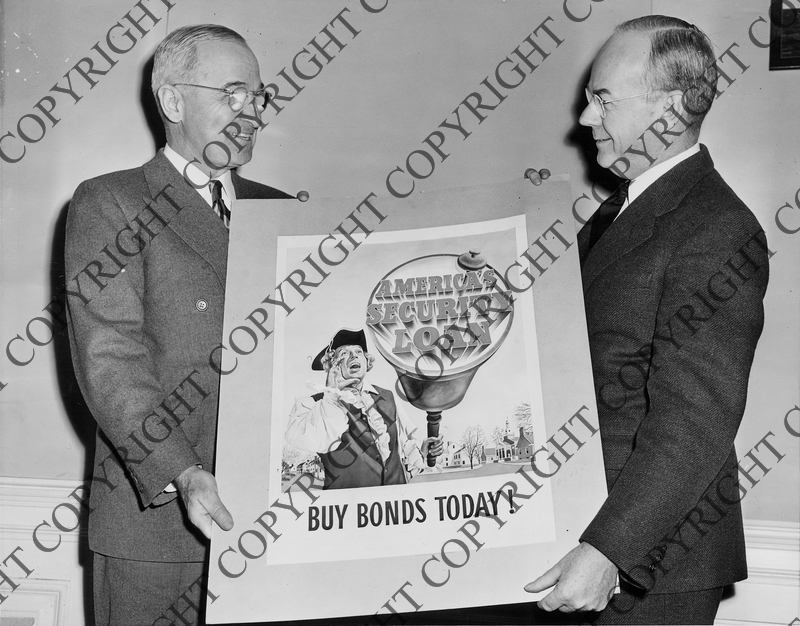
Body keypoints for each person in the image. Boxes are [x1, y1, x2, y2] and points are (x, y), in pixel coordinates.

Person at [524, 16, 769, 625]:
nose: (584, 119)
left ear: (673, 106)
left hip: (651, 562)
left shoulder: (718, 227)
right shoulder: (616, 212)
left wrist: (609, 549)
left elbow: (695, 415)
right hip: (591, 537)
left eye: (603, 99)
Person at [65, 24, 292, 625]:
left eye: (260, 97)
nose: (253, 113)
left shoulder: (284, 211)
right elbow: (108, 358)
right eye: (233, 93)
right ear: (173, 101)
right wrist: (184, 473)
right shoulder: (110, 201)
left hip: (275, 526)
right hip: (156, 525)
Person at [285, 328, 443, 489]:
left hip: (393, 505)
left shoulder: (388, 397)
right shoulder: (314, 404)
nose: (353, 356)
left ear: (367, 362)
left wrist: (422, 453)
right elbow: (305, 440)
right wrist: (331, 394)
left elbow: (403, 450)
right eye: (344, 354)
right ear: (332, 365)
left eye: (358, 351)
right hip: (349, 506)